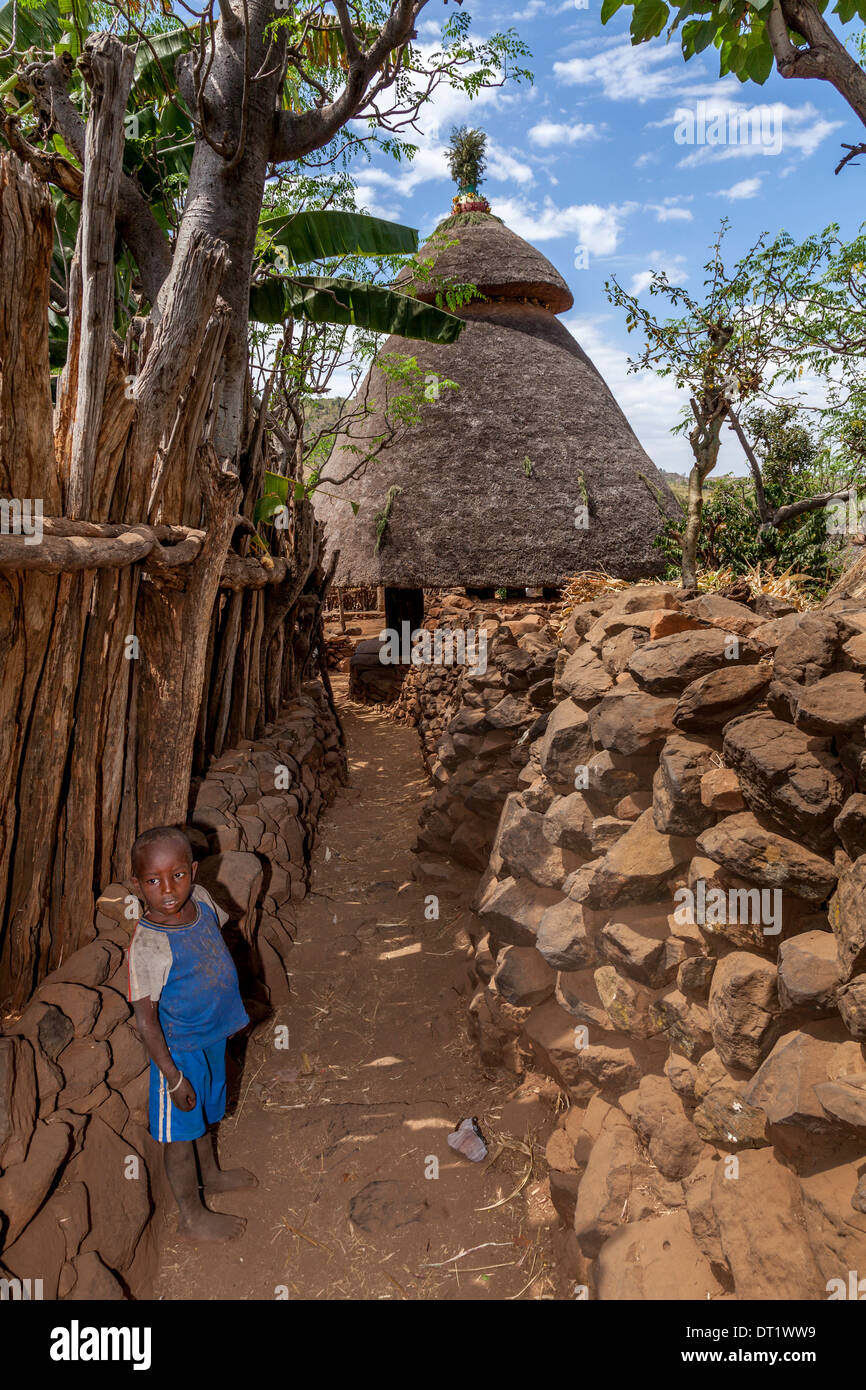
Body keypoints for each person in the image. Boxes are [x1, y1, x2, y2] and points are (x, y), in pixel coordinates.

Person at [127, 825, 256, 1242]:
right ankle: (191, 1215)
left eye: (177, 875)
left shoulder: (201, 901)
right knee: (179, 1136)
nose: (167, 888)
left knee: (205, 1115)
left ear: (194, 871)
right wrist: (173, 1076)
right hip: (179, 1054)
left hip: (211, 1040)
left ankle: (212, 1176)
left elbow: (212, 946)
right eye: (153, 880)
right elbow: (146, 1020)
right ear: (137, 884)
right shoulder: (148, 944)